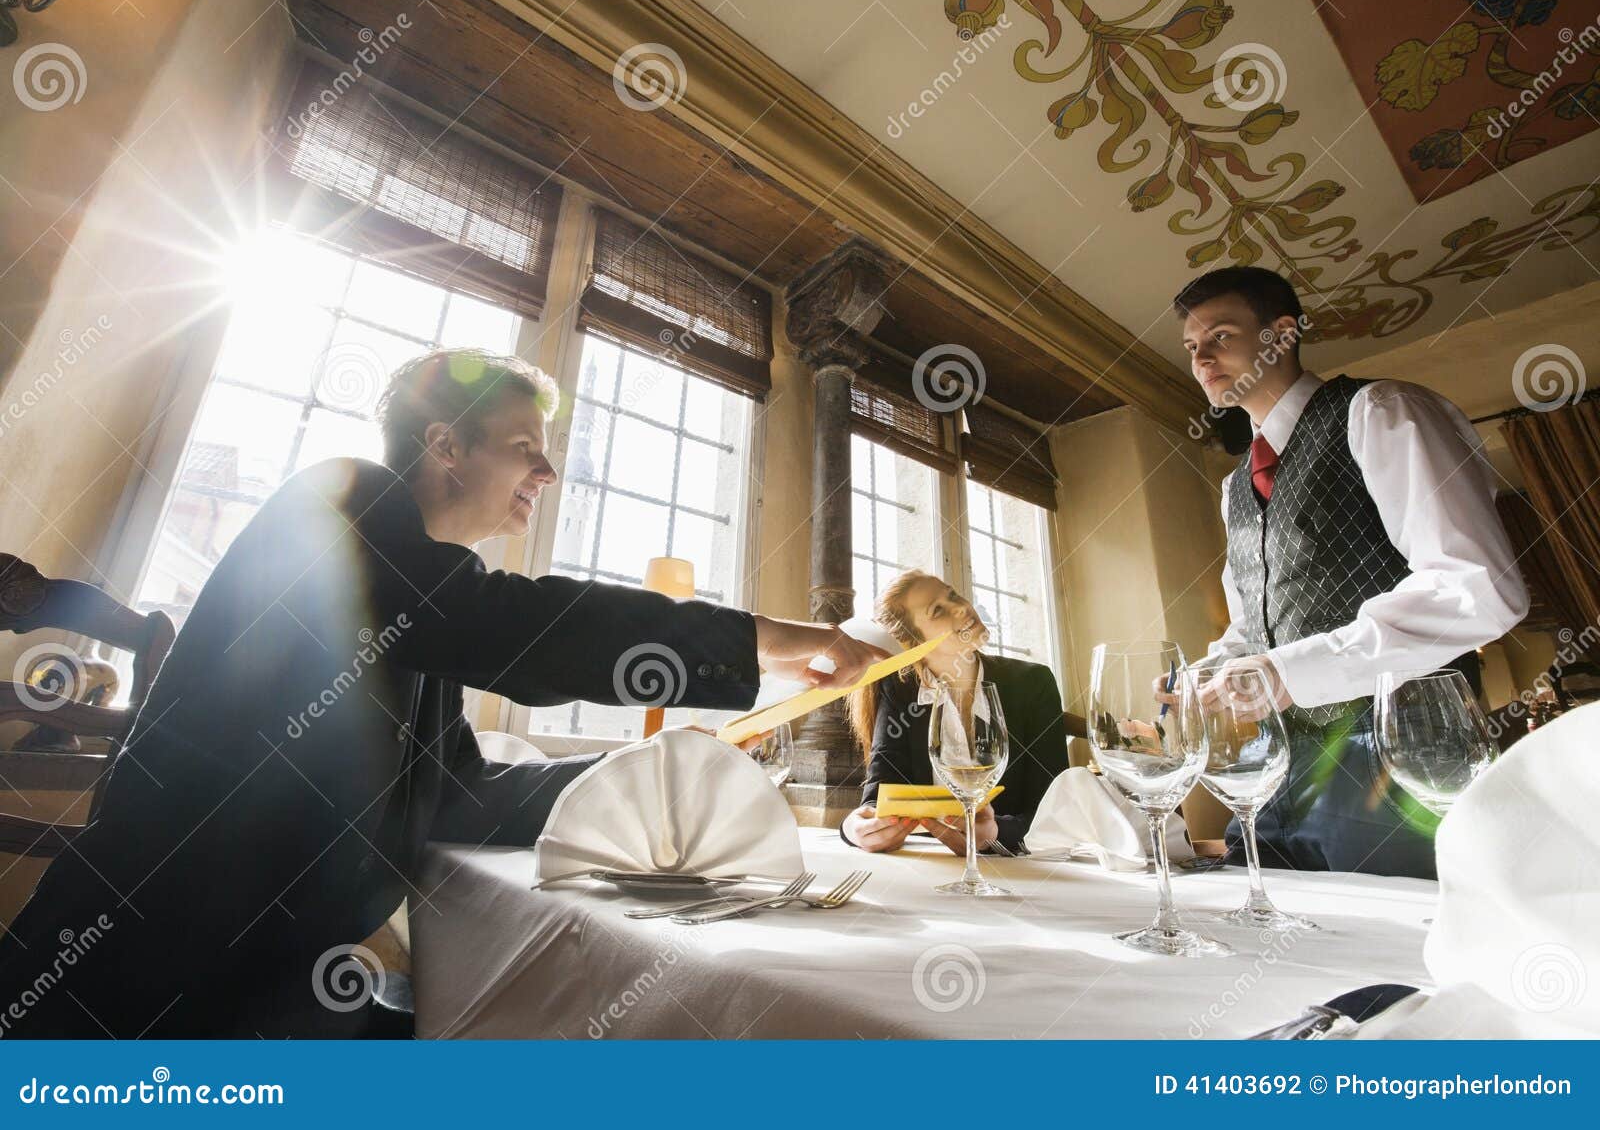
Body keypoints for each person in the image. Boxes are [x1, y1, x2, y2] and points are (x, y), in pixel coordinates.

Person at [0, 349, 885, 1038]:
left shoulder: (412, 614)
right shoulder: (342, 501)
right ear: (445, 445)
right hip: (136, 990)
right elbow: (513, 624)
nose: (546, 475)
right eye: (523, 448)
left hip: (273, 986)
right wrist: (769, 640)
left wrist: (661, 767)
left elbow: (461, 790)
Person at [1176, 267, 1528, 878]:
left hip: (1395, 758)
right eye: (1190, 349)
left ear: (1282, 335)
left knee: (1398, 962)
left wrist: (1288, 673)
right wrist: (1206, 676)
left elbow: (1478, 588)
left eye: (1220, 337)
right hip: (1271, 772)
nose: (1201, 359)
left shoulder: (1382, 411)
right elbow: (1253, 629)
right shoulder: (1234, 486)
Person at [839, 570, 1069, 856]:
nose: (961, 606)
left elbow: (1057, 810)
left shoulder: (1032, 682)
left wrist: (996, 833)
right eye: (938, 610)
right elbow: (879, 799)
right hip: (933, 871)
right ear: (911, 644)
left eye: (953, 595)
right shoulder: (900, 692)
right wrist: (854, 829)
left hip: (1022, 871)